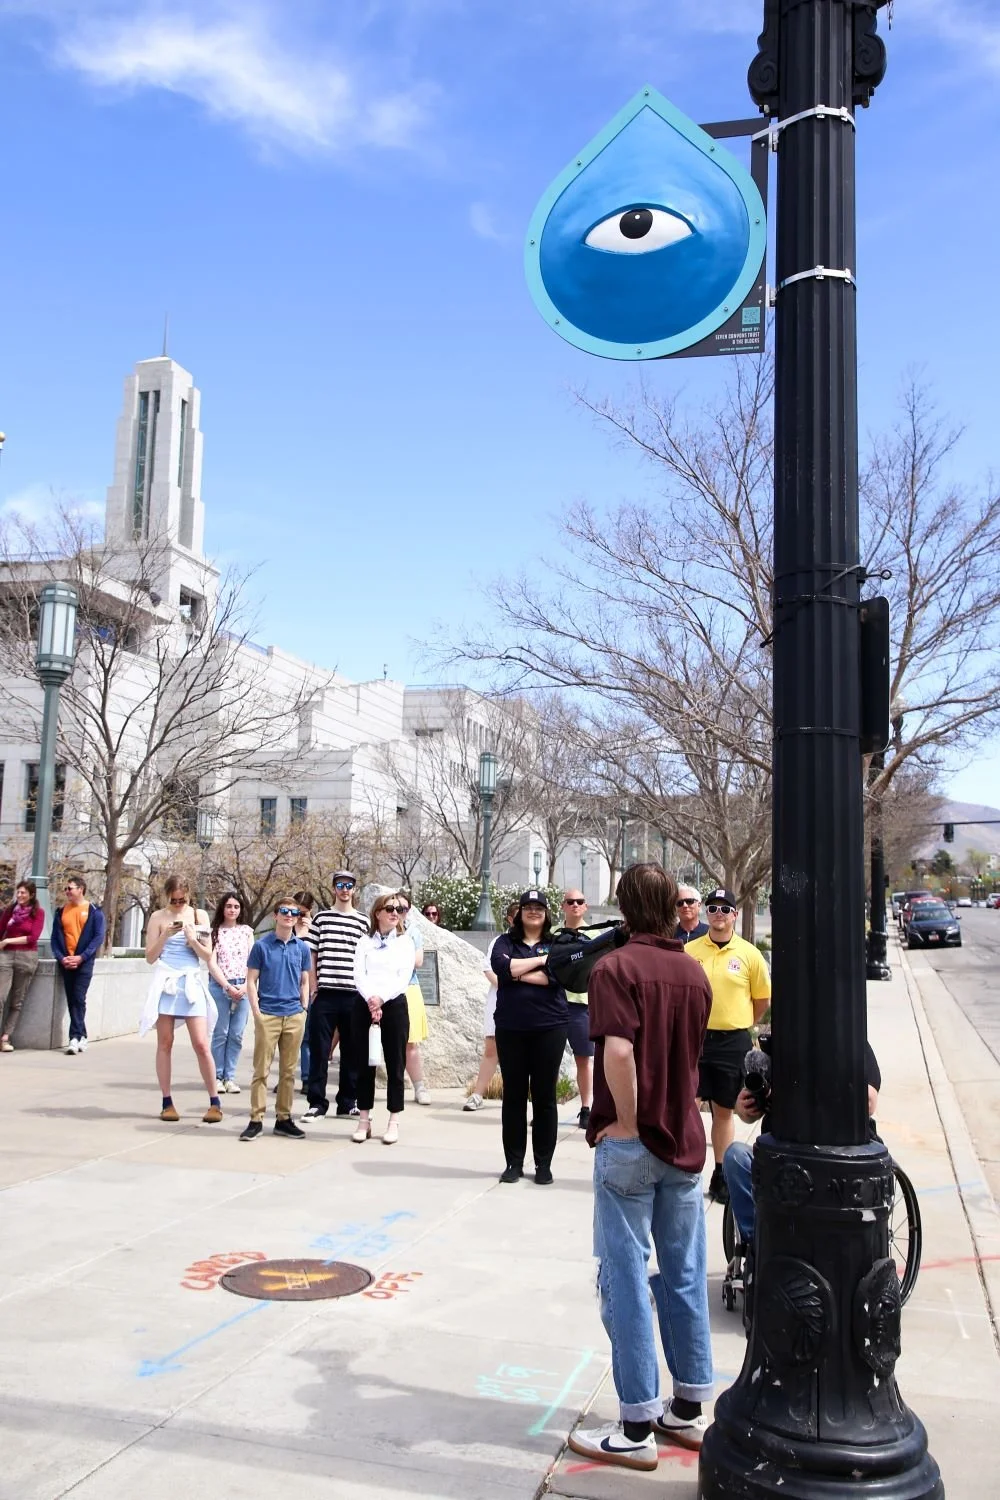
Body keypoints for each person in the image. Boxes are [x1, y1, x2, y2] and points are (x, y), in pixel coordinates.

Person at [568, 863, 715, 1473]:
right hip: (683, 1137)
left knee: (624, 1278)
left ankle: (635, 1423)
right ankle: (688, 1405)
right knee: (683, 1272)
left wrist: (625, 1119)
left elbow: (619, 1051)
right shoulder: (693, 971)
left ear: (625, 908)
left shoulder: (615, 968)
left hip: (634, 1145)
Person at [723, 1042, 882, 1246]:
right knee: (735, 1156)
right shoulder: (779, 1045)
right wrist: (744, 1107)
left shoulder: (851, 1041)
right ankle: (758, 1243)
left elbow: (868, 1102)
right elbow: (746, 1112)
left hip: (828, 1160)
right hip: (776, 1156)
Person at [686, 887, 771, 1204]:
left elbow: (762, 999)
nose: (718, 914)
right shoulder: (689, 950)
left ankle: (721, 1174)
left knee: (724, 1111)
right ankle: (687, 1171)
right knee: (688, 1107)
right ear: (705, 913)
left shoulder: (749, 954)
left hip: (732, 1041)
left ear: (735, 914)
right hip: (695, 1039)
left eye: (725, 909)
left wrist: (741, 1021)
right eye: (713, 908)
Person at [490, 889, 569, 1185]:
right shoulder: (504, 942)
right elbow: (501, 968)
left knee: (545, 1097)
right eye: (528, 907)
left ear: (547, 913)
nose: (534, 911)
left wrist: (517, 972)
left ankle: (543, 1164)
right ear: (519, 912)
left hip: (550, 1027)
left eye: (539, 907)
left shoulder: (557, 943)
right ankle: (513, 1162)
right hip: (511, 1028)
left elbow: (558, 977)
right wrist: (540, 964)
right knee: (514, 1095)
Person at [141, 874, 222, 1123]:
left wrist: (191, 938)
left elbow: (207, 955)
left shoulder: (199, 916)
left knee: (201, 1043)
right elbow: (150, 957)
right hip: (167, 981)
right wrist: (165, 935)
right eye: (174, 900)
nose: (178, 904)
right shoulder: (157, 917)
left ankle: (215, 1101)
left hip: (190, 980)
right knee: (165, 1042)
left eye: (182, 899)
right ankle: (167, 1101)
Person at [240, 899, 312, 1141]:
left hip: (293, 1014)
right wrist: (257, 1011)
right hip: (268, 1014)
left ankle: (284, 1118)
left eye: (294, 912)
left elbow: (305, 980)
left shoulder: (301, 947)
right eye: (284, 912)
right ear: (275, 915)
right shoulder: (261, 946)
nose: (289, 916)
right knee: (261, 1070)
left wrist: (303, 1008)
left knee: (288, 1072)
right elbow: (251, 981)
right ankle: (256, 1119)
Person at [302, 871, 368, 1121]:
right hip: (326, 994)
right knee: (320, 1049)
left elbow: (365, 957)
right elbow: (313, 956)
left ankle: (347, 1101)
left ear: (354, 890)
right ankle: (317, 1101)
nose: (345, 890)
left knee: (352, 1050)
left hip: (353, 995)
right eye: (340, 885)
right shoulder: (321, 918)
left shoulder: (362, 921)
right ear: (333, 889)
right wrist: (314, 988)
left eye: (349, 886)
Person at [350, 893, 415, 1145]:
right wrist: (370, 999)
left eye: (399, 909)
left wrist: (381, 999)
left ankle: (393, 1120)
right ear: (377, 913)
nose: (394, 913)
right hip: (364, 1005)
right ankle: (364, 1119)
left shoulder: (405, 942)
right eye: (389, 908)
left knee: (395, 1064)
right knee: (365, 1065)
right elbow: (359, 974)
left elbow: (403, 977)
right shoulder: (364, 942)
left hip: (394, 1004)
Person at [464, 900, 519, 1112]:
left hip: (526, 1005)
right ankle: (478, 1094)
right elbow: (489, 969)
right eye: (516, 915)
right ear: (509, 919)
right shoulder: (500, 941)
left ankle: (518, 1098)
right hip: (500, 1000)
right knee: (492, 1048)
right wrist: (508, 985)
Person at [51, 875, 106, 1055]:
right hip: (66, 963)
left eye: (70, 888)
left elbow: (97, 938)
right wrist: (62, 958)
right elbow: (55, 940)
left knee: (78, 997)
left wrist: (82, 957)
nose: (67, 891)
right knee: (72, 999)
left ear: (80, 889)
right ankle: (82, 1035)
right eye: (66, 889)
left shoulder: (94, 911)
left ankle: (74, 1037)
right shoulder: (61, 912)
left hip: (84, 963)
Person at [556, 888, 597, 1128]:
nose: (575, 905)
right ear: (563, 906)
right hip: (553, 1004)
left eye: (579, 901)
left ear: (585, 906)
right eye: (570, 901)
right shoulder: (552, 934)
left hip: (582, 1007)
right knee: (547, 1059)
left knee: (585, 1058)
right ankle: (545, 1108)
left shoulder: (596, 935)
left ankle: (586, 1109)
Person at [208, 891, 255, 1093]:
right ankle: (217, 1076)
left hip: (243, 987)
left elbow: (253, 962)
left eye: (236, 907)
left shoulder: (246, 931)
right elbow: (211, 962)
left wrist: (245, 985)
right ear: (222, 908)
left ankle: (230, 1077)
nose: (232, 910)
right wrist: (227, 986)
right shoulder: (214, 931)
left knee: (236, 1034)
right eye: (229, 906)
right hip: (220, 987)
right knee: (221, 1032)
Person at [0, 880, 45, 1051]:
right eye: (18, 892)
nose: (19, 895)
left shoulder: (38, 913)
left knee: (16, 1002)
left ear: (31, 895)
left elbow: (33, 937)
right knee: (1, 997)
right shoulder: (10, 911)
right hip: (5, 956)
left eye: (23, 893)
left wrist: (8, 940)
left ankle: (5, 1038)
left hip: (27, 957)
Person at [397, 892, 431, 1106]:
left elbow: (418, 961)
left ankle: (419, 1086)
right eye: (394, 908)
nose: (398, 912)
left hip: (409, 987)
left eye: (403, 909)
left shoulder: (413, 932)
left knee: (411, 1042)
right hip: (382, 990)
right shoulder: (378, 932)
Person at [293, 891, 315, 1093]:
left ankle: (307, 1078)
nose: (298, 918)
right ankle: (286, 1077)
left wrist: (307, 932)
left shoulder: (316, 930)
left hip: (308, 988)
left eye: (303, 913)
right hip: (286, 988)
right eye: (295, 912)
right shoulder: (286, 928)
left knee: (306, 1036)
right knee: (285, 1037)